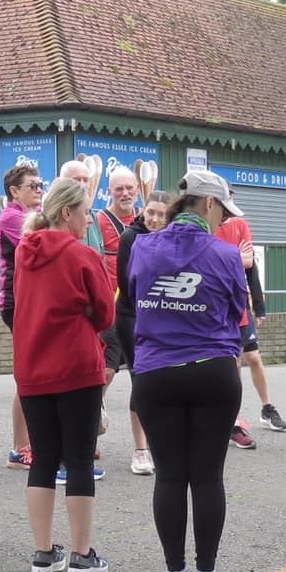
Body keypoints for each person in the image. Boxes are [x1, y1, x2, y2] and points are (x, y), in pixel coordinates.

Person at [130, 169, 250, 572]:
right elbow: (239, 307)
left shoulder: (142, 247)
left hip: (156, 371)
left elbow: (133, 297)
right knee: (206, 475)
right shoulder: (226, 253)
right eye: (224, 213)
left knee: (169, 475)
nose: (225, 223)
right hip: (212, 369)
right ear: (210, 205)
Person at [12, 177, 115, 572]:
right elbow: (105, 314)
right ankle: (82, 553)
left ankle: (43, 552)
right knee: (78, 462)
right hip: (76, 367)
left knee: (42, 460)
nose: (89, 220)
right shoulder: (83, 255)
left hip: (33, 366)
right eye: (87, 212)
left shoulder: (24, 251)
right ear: (68, 213)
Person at [95, 166, 152, 470]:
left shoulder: (149, 219)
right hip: (109, 308)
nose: (125, 193)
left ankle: (141, 449)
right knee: (104, 373)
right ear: (109, 190)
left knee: (140, 377)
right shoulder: (98, 220)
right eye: (119, 189)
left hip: (142, 310)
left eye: (130, 188)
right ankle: (91, 418)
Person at [113, 188, 173, 474]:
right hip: (132, 316)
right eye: (151, 212)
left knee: (163, 380)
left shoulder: (173, 236)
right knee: (141, 379)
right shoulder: (130, 237)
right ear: (142, 210)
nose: (155, 219)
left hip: (164, 316)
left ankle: (161, 442)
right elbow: (129, 286)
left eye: (162, 215)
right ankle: (140, 450)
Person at [216, 200, 284, 445]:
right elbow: (236, 261)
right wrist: (235, 257)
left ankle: (267, 408)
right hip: (218, 305)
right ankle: (231, 422)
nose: (228, 212)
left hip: (240, 304)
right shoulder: (207, 227)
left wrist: (259, 303)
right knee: (232, 365)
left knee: (253, 357)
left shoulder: (239, 225)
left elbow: (249, 266)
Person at [0, 161, 44, 468]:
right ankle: (19, 447)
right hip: (18, 302)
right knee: (27, 375)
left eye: (42, 185)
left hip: (33, 300)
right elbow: (43, 245)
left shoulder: (31, 216)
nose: (39, 191)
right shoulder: (13, 218)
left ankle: (31, 442)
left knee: (36, 372)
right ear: (14, 191)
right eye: (33, 186)